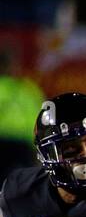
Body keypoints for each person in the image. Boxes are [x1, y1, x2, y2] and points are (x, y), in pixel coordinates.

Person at [0, 52, 43, 186]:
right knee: (24, 186)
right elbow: (41, 118)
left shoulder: (27, 88)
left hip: (6, 142)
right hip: (24, 144)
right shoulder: (28, 88)